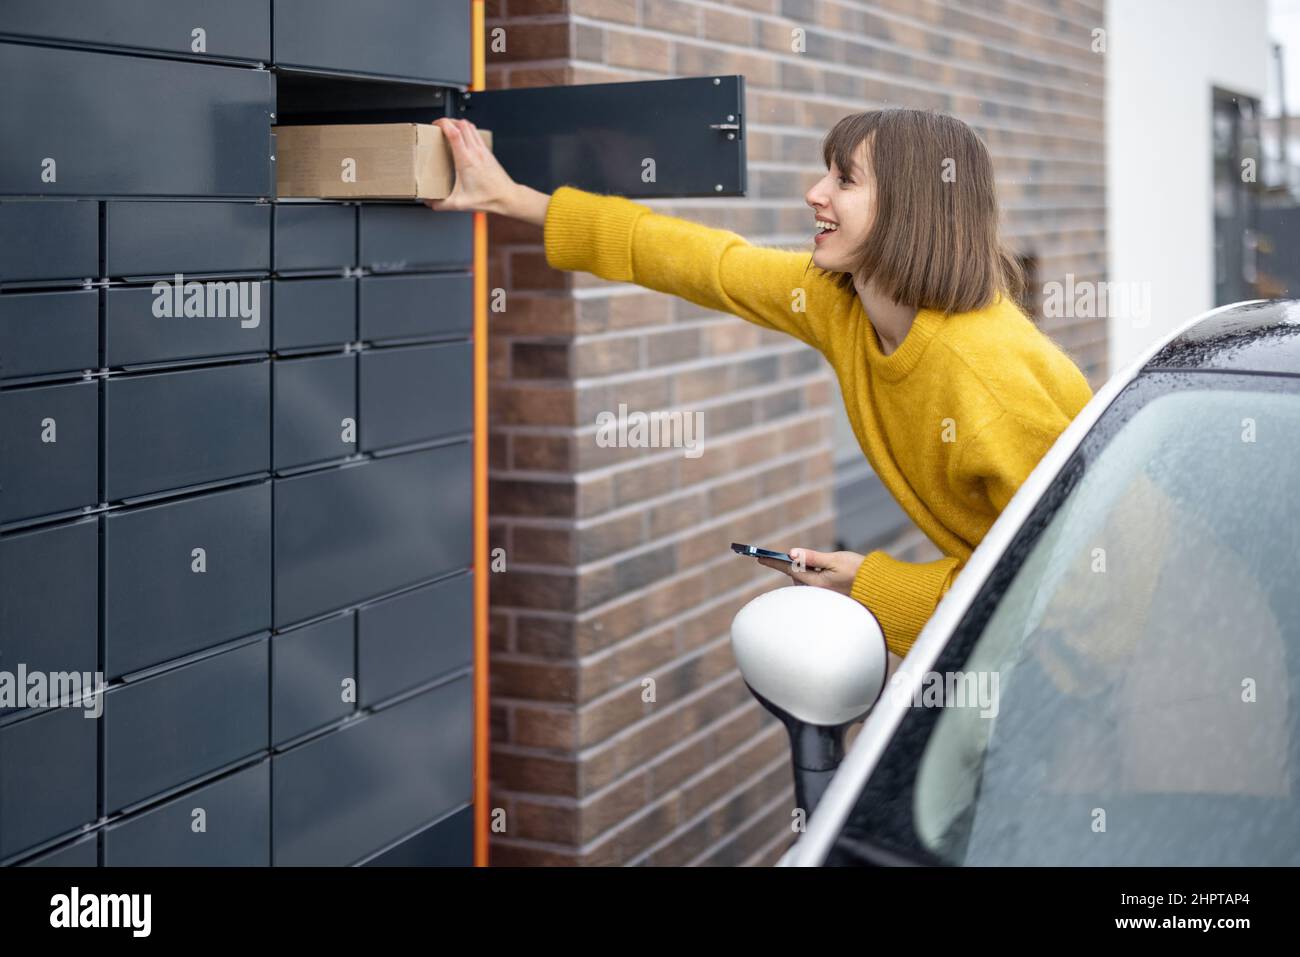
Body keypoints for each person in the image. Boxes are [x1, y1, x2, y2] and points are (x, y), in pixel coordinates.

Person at [425, 109, 1094, 663]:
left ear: (910, 207)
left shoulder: (986, 377)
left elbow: (1073, 586)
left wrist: (872, 582)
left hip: (1098, 663)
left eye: (844, 179)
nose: (815, 191)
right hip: (1029, 648)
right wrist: (511, 199)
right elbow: (702, 261)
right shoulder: (843, 304)